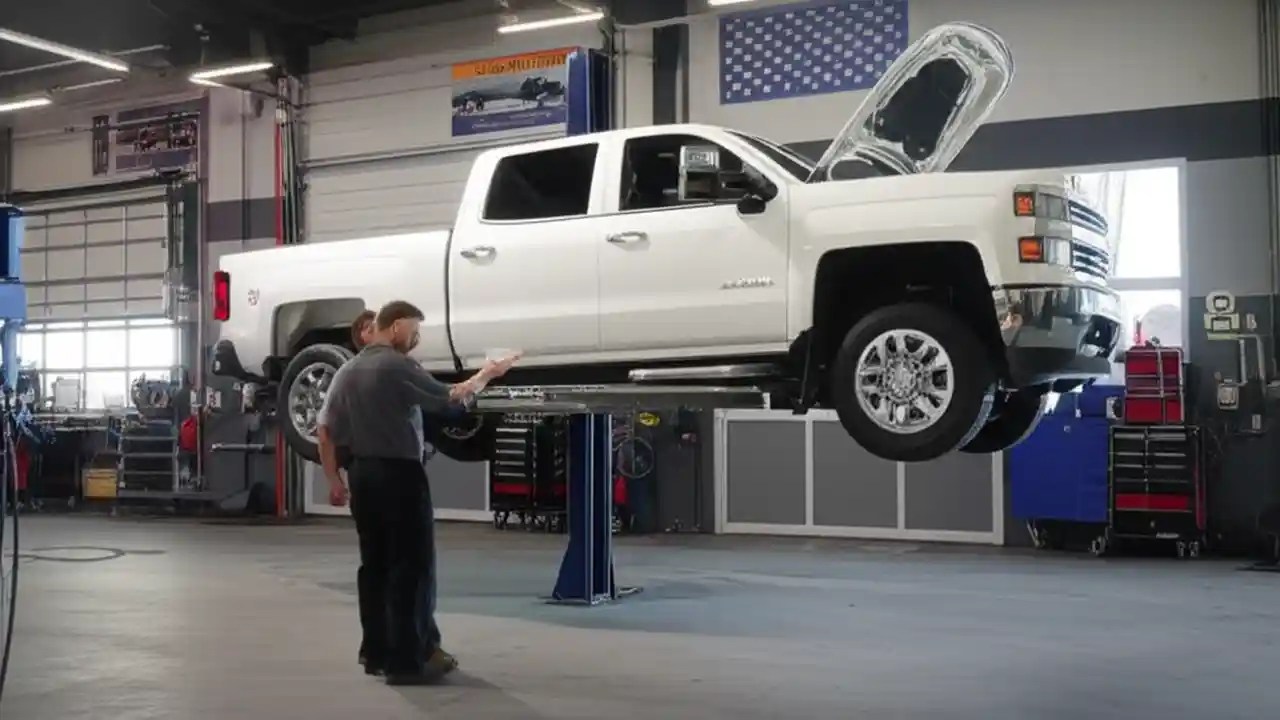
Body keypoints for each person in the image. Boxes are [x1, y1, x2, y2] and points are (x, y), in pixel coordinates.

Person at [321, 300, 517, 685]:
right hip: (399, 476)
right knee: (412, 567)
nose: (416, 339)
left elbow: (324, 431)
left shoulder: (345, 371)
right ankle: (408, 662)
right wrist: (489, 373)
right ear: (395, 327)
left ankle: (376, 653)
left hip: (362, 477)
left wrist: (333, 481)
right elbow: (452, 398)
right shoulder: (397, 365)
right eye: (414, 330)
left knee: (374, 566)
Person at [317, 310, 375, 506]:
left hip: (408, 471)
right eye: (371, 327)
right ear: (362, 336)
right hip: (369, 469)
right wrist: (334, 481)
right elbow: (324, 431)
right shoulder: (350, 374)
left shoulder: (403, 368)